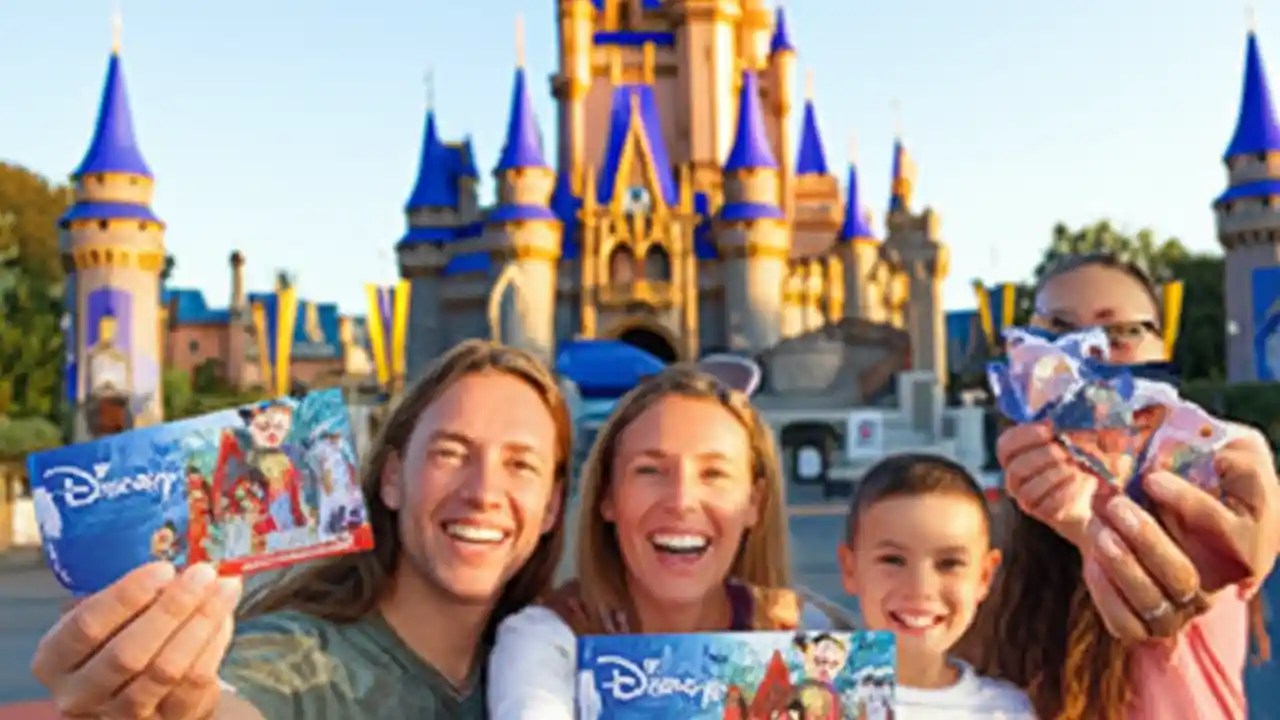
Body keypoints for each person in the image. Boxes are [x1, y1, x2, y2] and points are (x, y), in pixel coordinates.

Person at [30, 339, 573, 719]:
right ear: (390, 480)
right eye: (451, 453)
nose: (482, 491)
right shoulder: (295, 657)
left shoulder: (551, 664)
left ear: (550, 508)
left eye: (521, 464)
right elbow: (236, 699)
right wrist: (173, 707)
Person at [979, 253, 1280, 719]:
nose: (1088, 350)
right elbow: (922, 665)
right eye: (1058, 329)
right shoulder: (1000, 533)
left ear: (1162, 352)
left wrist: (1091, 529)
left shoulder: (1192, 481)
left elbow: (1237, 483)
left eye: (1120, 333)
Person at [486, 364, 853, 719]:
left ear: (754, 504)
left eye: (713, 473)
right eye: (650, 471)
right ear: (607, 497)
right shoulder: (547, 642)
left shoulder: (814, 637)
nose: (680, 501)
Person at [838, 452, 1035, 718]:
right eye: (893, 560)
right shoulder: (812, 698)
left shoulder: (1011, 711)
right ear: (850, 568)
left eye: (949, 563)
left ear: (985, 576)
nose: (921, 588)